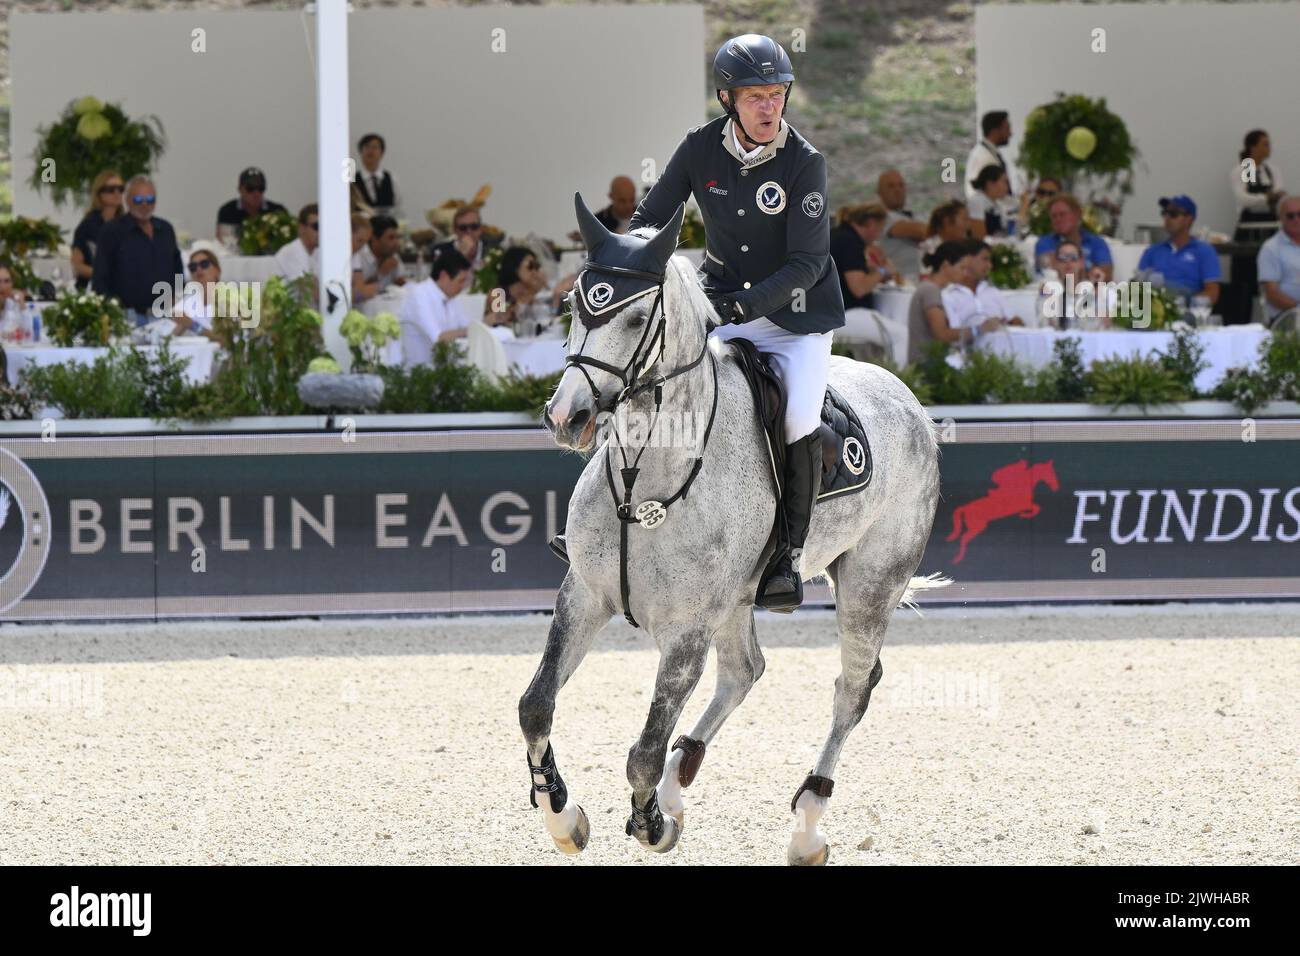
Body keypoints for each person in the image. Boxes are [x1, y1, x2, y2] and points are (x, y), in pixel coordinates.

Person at [604, 32, 845, 612]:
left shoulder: (803, 163)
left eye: (777, 94)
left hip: (794, 320)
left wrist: (744, 307)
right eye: (755, 96)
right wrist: (626, 259)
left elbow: (808, 263)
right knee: (643, 378)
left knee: (797, 420)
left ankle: (787, 557)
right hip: (720, 308)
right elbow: (650, 217)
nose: (769, 107)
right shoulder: (699, 148)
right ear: (727, 99)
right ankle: (608, 523)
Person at [92, 174, 183, 326]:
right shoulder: (112, 231)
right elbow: (100, 278)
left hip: (165, 316)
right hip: (128, 317)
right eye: (138, 200)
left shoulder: (166, 230)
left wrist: (177, 297)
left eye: (150, 200)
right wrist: (114, 311)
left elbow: (178, 268)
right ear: (127, 200)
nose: (145, 205)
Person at [831, 202, 907, 365]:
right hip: (846, 314)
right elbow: (859, 288)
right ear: (872, 224)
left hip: (829, 314)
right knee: (901, 335)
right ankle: (902, 384)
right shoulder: (850, 242)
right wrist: (882, 271)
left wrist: (872, 272)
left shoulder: (838, 235)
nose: (879, 236)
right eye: (880, 229)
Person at [907, 241, 1000, 364]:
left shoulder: (932, 289)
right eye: (962, 268)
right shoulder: (930, 290)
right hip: (927, 364)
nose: (966, 273)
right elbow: (942, 334)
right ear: (946, 266)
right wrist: (979, 329)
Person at [1227, 130, 1286, 324]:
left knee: (1272, 277)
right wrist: (1265, 198)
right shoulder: (1247, 168)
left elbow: (1279, 194)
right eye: (1264, 144)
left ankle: (1276, 321)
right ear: (1253, 147)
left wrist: (1269, 198)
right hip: (1249, 230)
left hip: (1270, 229)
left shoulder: (1271, 170)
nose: (1268, 148)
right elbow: (1244, 198)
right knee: (1246, 280)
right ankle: (1242, 322)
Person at [398, 250, 479, 367]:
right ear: (444, 276)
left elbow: (465, 326)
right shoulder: (419, 295)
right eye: (460, 281)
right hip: (416, 373)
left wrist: (481, 326)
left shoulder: (450, 297)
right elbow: (439, 339)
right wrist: (472, 330)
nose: (462, 287)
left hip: (440, 368)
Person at [1137, 195, 1221, 305]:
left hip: (1186, 309)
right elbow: (1137, 287)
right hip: (1154, 309)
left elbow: (1212, 293)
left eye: (1173, 214)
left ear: (1188, 219)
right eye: (1165, 213)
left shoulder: (1204, 251)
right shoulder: (1152, 251)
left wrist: (1183, 304)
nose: (1167, 218)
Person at [942, 239, 1024, 329]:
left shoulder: (993, 292)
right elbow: (955, 334)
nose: (990, 265)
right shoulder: (948, 295)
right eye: (985, 259)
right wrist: (981, 329)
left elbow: (1015, 320)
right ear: (967, 259)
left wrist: (1008, 323)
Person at [1033, 194, 1113, 281]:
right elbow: (1048, 272)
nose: (1058, 219)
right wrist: (1088, 271)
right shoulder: (1044, 243)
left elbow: (1106, 275)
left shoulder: (1096, 243)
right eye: (1054, 216)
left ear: (1077, 215)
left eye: (1062, 214)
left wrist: (1064, 266)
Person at [71, 170, 125, 290]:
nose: (117, 193)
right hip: (92, 290)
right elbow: (77, 265)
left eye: (120, 189)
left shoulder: (127, 224)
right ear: (99, 193)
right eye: (111, 189)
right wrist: (103, 274)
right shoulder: (88, 225)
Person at [482, 246, 550, 331]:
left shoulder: (528, 291)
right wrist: (529, 296)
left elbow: (543, 318)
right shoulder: (497, 293)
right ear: (515, 268)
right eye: (530, 267)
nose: (534, 272)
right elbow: (501, 322)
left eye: (536, 267)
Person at [875, 170, 927, 279]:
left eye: (901, 185)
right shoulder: (880, 217)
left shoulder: (912, 216)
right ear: (880, 192)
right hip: (898, 284)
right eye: (891, 186)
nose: (897, 189)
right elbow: (921, 231)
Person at [1258, 194, 1300, 325]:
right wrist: (1298, 310)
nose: (1296, 219)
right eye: (1290, 216)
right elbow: (1272, 294)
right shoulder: (1271, 248)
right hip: (1288, 318)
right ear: (1280, 218)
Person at [215, 167, 287, 240]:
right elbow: (223, 241)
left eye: (260, 188)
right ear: (240, 189)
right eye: (250, 188)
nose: (256, 193)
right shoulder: (227, 211)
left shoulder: (278, 211)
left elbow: (287, 240)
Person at [353, 214, 406, 301]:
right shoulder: (358, 255)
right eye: (391, 238)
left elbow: (401, 283)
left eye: (397, 237)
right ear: (373, 238)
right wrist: (380, 274)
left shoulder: (392, 254)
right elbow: (357, 295)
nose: (396, 243)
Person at [174, 248, 223, 339]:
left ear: (217, 270)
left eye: (204, 264)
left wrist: (192, 325)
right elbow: (171, 337)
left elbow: (226, 341)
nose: (198, 269)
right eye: (193, 267)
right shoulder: (188, 300)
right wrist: (181, 324)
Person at [964, 110, 1013, 200]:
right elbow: (977, 192)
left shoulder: (986, 153)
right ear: (995, 131)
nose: (1010, 134)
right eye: (1007, 129)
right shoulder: (984, 157)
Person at [966, 166, 1023, 239]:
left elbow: (1011, 231)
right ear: (990, 184)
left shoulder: (997, 203)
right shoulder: (977, 201)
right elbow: (979, 238)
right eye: (1004, 182)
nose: (1007, 187)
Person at [353, 133, 401, 214]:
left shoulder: (391, 179)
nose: (370, 151)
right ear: (360, 152)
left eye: (375, 147)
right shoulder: (352, 181)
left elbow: (397, 205)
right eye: (367, 147)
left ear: (382, 153)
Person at [431, 204, 486, 275]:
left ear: (480, 229)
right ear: (455, 230)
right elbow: (438, 279)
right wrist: (460, 255)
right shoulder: (441, 251)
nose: (469, 231)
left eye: (474, 226)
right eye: (463, 228)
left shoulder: (493, 251)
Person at [273, 204, 320, 280]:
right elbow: (307, 288)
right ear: (302, 228)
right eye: (316, 226)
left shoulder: (321, 252)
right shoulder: (288, 253)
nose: (321, 232)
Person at [918, 200, 970, 267]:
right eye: (964, 219)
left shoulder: (964, 248)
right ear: (947, 221)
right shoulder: (928, 248)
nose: (968, 225)